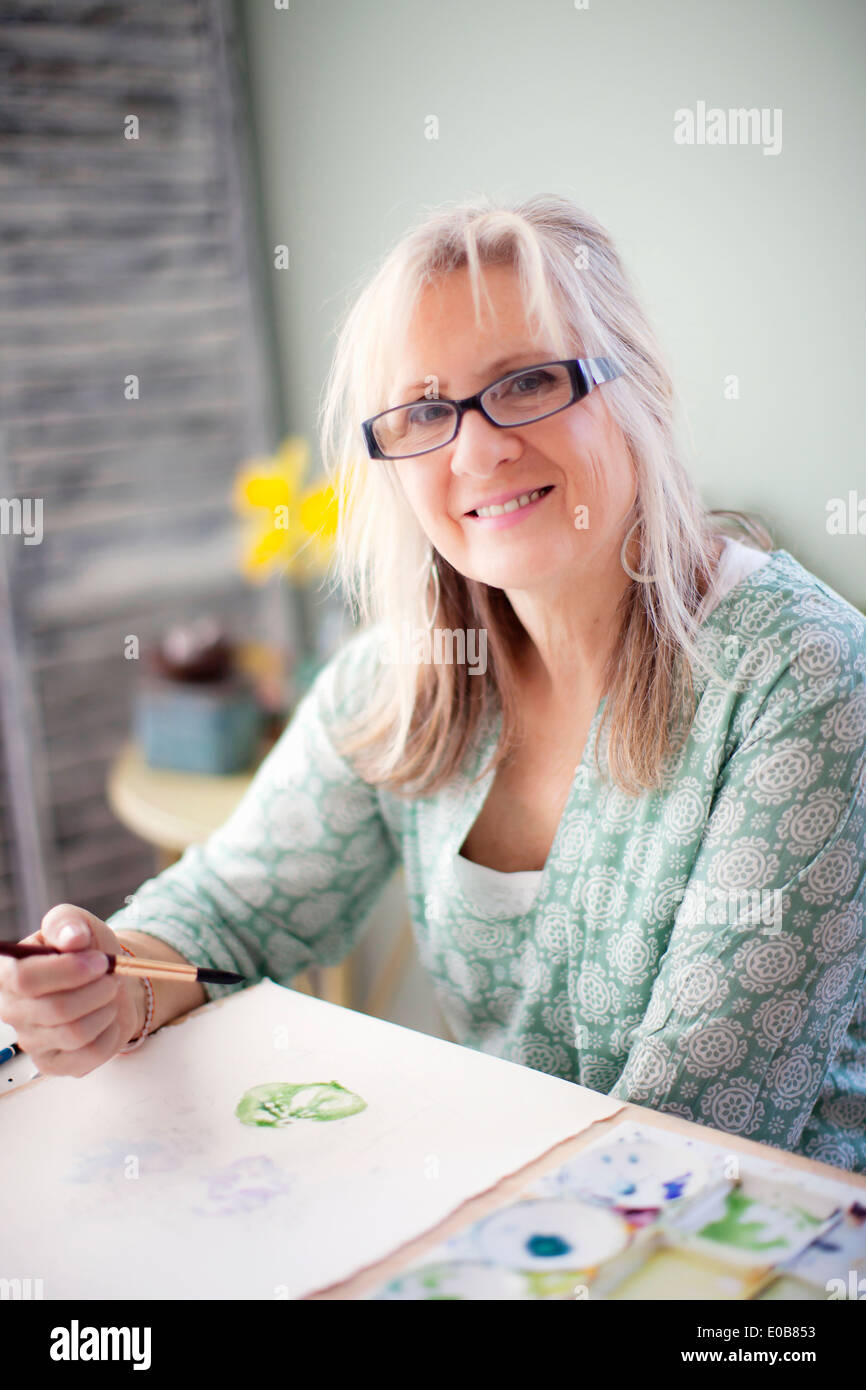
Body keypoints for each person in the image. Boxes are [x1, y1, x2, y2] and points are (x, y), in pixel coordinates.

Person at [2, 194, 864, 1173]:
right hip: (520, 1226)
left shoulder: (800, 674)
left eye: (529, 380)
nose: (477, 448)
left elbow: (696, 1133)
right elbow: (228, 907)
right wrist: (111, 985)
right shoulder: (408, 672)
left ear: (639, 390)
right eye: (422, 410)